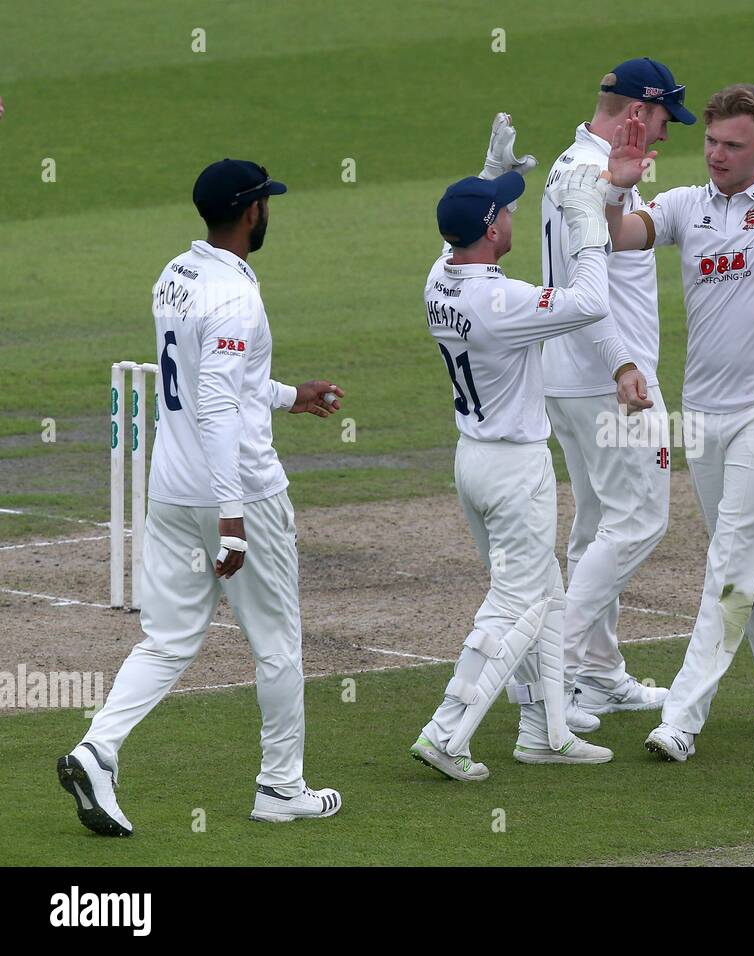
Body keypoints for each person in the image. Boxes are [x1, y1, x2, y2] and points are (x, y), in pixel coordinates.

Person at [57, 159, 346, 835]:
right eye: (266, 204)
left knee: (167, 638)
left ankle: (97, 750)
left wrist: (286, 394)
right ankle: (281, 788)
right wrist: (234, 517)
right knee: (277, 645)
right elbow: (215, 400)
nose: (269, 213)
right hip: (235, 491)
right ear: (252, 213)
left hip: (171, 488)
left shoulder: (175, 276)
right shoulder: (235, 296)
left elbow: (215, 380)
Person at [604, 77, 754, 761]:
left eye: (732, 145)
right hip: (702, 415)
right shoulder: (685, 204)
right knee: (745, 554)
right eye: (711, 141)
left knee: (730, 560)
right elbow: (617, 236)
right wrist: (617, 185)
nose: (717, 154)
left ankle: (681, 719)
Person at [409, 160, 631, 780]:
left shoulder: (441, 279)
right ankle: (446, 731)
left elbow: (454, 240)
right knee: (516, 602)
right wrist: (589, 221)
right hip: (514, 469)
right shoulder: (499, 299)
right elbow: (588, 302)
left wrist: (485, 174)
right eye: (503, 208)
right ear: (490, 230)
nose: (513, 216)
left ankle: (545, 730)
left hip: (472, 461)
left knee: (546, 594)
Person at [540, 58, 696, 729]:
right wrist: (621, 364)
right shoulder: (587, 173)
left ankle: (595, 675)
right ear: (638, 109)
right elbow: (587, 287)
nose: (667, 133)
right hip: (608, 381)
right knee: (639, 521)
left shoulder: (577, 165)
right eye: (664, 118)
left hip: (573, 379)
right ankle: (551, 666)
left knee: (600, 524)